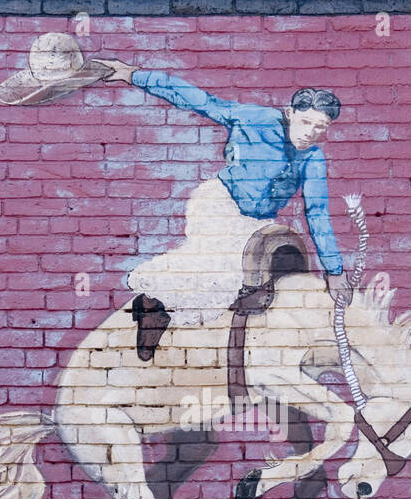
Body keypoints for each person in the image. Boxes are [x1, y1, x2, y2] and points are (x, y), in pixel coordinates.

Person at [98, 59, 353, 360]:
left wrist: (334, 271)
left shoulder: (313, 158)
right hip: (219, 204)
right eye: (306, 122)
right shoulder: (253, 119)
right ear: (290, 114)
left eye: (320, 127)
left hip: (255, 223)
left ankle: (159, 308)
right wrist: (133, 75)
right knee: (219, 266)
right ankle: (153, 304)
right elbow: (198, 100)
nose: (311, 133)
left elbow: (318, 213)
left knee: (244, 276)